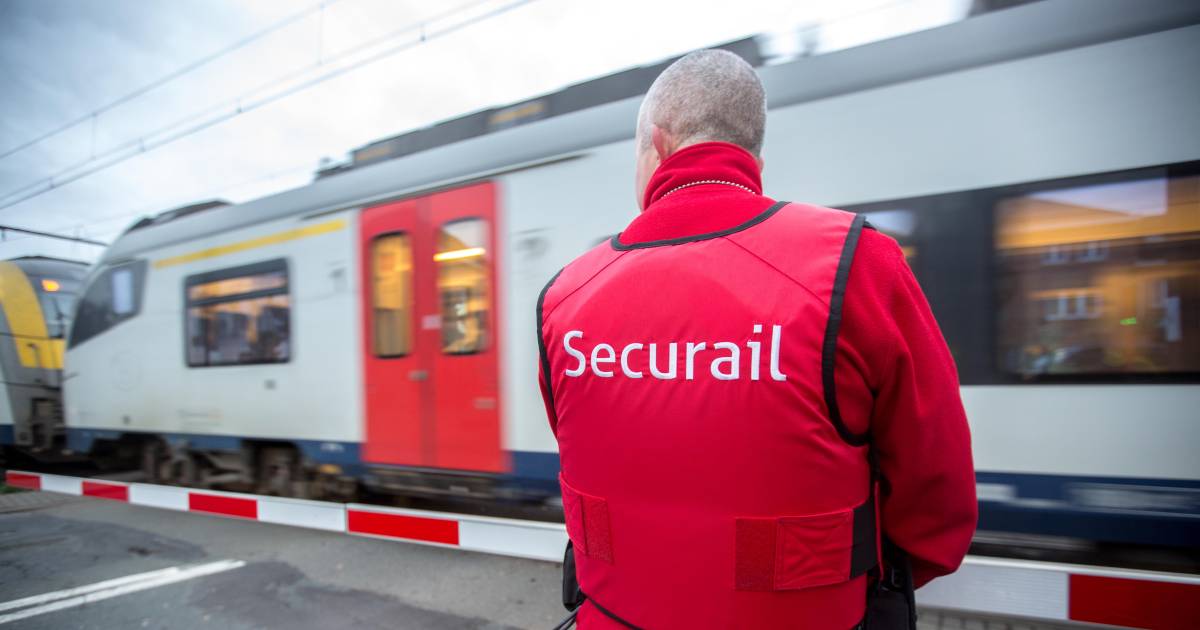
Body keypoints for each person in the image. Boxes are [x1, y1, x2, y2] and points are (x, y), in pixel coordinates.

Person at [537, 49, 976, 629]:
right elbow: (937, 498)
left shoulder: (565, 295)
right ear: (754, 159)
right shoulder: (855, 262)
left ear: (659, 145)